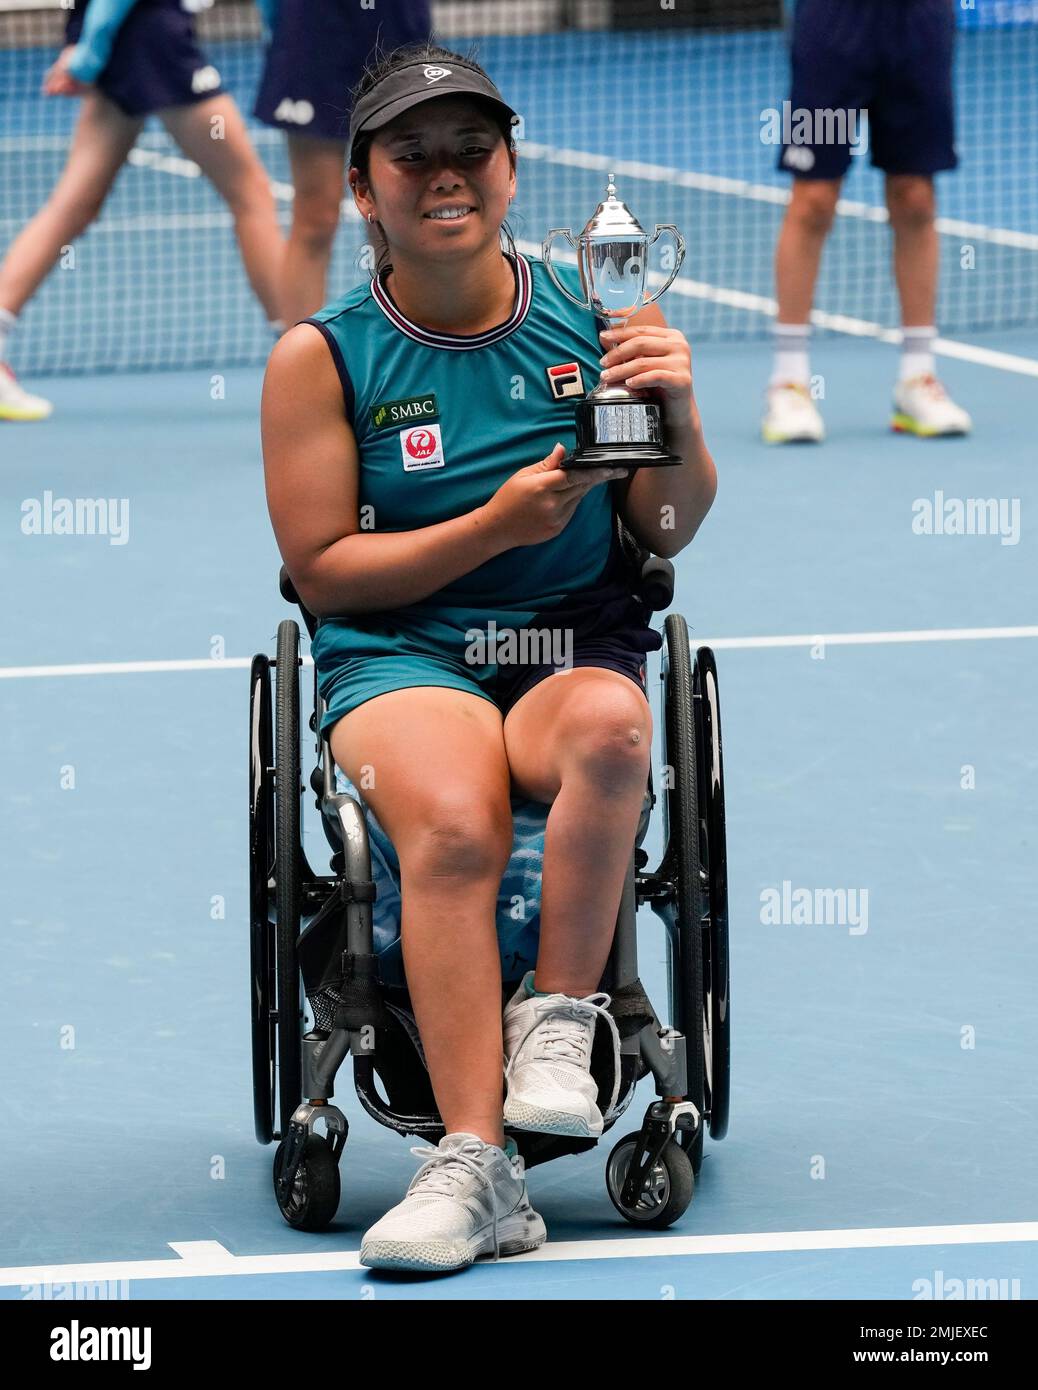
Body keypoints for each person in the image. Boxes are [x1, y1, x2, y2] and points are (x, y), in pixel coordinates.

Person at [261, 42, 717, 1275]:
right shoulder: (324, 357)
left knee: (619, 731)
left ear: (511, 171)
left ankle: (562, 1021)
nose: (445, 174)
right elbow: (318, 571)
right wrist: (488, 528)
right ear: (366, 187)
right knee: (454, 823)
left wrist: (677, 414)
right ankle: (474, 1163)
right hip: (401, 656)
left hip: (571, 643)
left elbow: (668, 528)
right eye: (414, 154)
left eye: (473, 149)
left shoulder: (600, 314)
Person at [0, 0, 284, 422]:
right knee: (251, 194)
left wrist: (89, 44)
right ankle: (303, 353)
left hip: (127, 36)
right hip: (151, 38)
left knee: (74, 205)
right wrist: (89, 51)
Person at [763, 0, 972, 443]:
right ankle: (789, 382)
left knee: (916, 196)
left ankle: (917, 377)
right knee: (815, 197)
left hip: (918, 20)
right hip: (835, 21)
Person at [253, 0, 432, 324]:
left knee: (394, 210)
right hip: (313, 33)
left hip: (394, 29)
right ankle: (300, 363)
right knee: (315, 216)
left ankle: (407, 346)